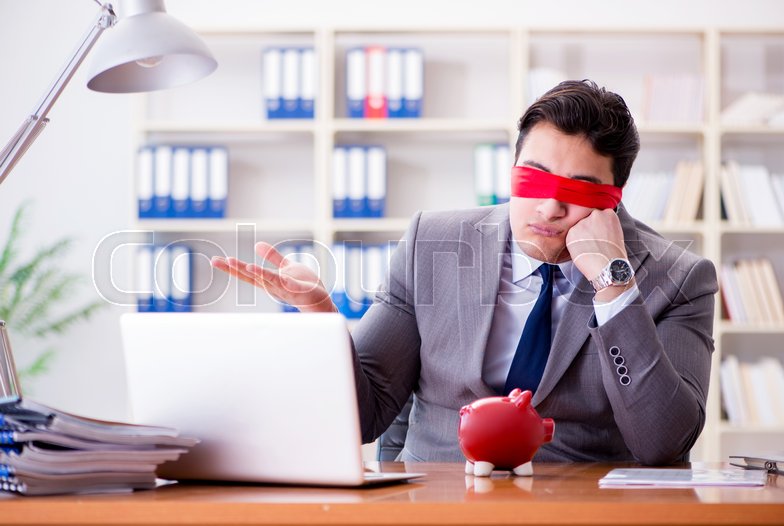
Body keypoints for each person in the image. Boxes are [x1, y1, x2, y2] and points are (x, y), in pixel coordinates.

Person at [212, 80, 718, 465]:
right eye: (533, 178)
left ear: (614, 198)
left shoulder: (679, 279)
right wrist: (319, 315)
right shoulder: (430, 244)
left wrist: (614, 284)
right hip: (433, 507)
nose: (548, 208)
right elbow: (362, 419)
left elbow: (662, 444)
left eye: (580, 191)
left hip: (579, 514)